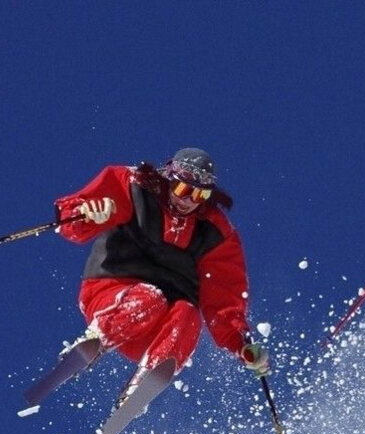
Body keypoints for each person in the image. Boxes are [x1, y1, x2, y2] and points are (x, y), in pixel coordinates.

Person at [53, 147, 270, 409]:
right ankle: (92, 344)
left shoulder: (215, 233)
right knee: (150, 298)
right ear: (169, 178)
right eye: (182, 189)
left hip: (154, 332)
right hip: (110, 293)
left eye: (199, 194)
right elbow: (73, 216)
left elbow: (224, 297)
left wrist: (241, 344)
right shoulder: (135, 186)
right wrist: (84, 214)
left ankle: (141, 388)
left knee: (188, 315)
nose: (188, 200)